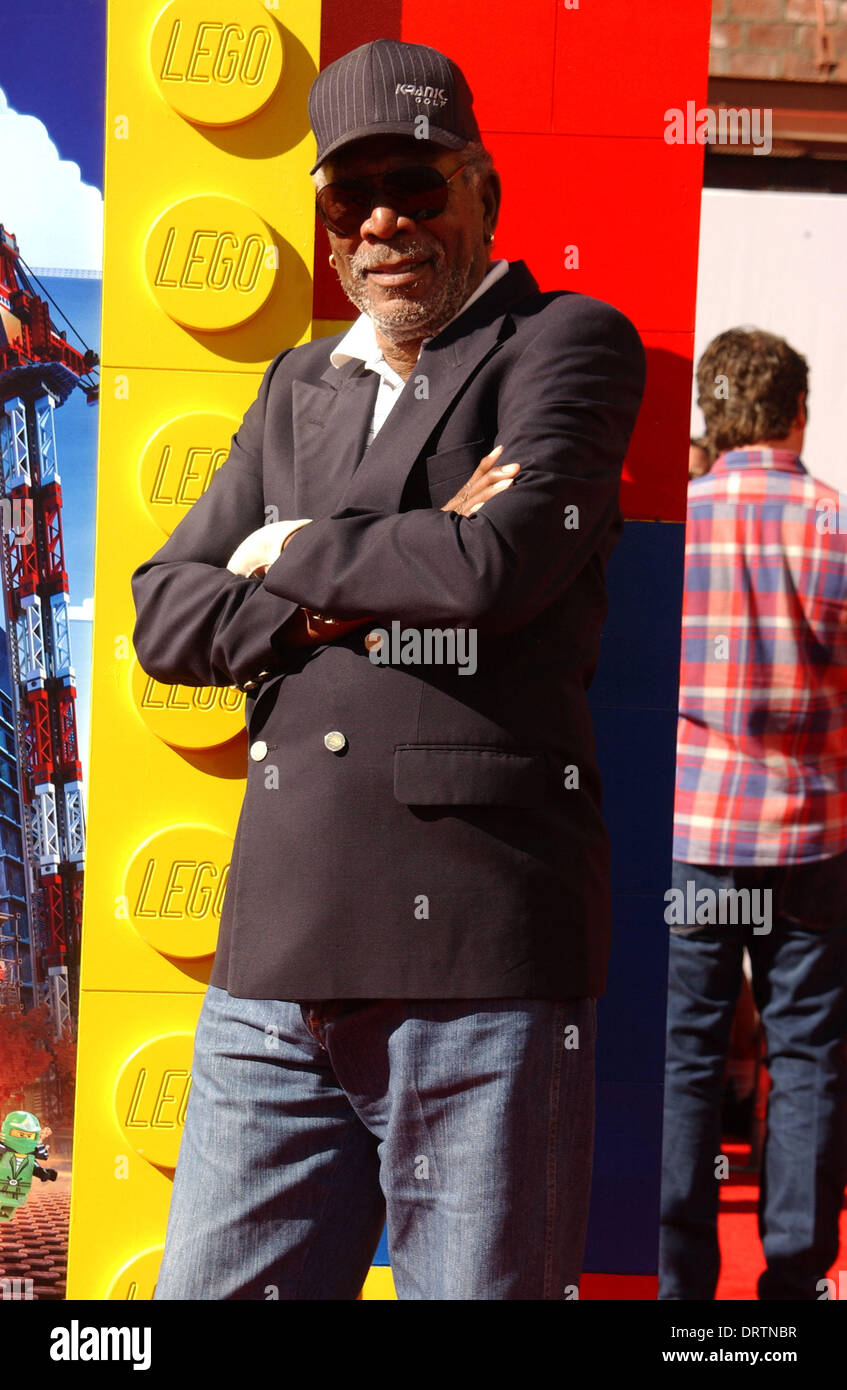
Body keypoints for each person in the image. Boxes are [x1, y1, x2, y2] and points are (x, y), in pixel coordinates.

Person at [131, 38, 646, 1300]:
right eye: (346, 195)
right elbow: (161, 613)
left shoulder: (565, 341)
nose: (379, 223)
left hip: (477, 964)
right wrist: (328, 606)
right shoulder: (298, 379)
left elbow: (495, 572)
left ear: (482, 190)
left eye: (413, 185)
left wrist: (289, 546)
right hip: (274, 970)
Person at [660, 327, 847, 1301]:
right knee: (807, 1050)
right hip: (811, 837)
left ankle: (676, 1284)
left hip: (694, 838)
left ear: (711, 414)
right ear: (796, 414)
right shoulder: (832, 526)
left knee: (685, 1051)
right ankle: (796, 1280)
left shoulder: (676, 521)